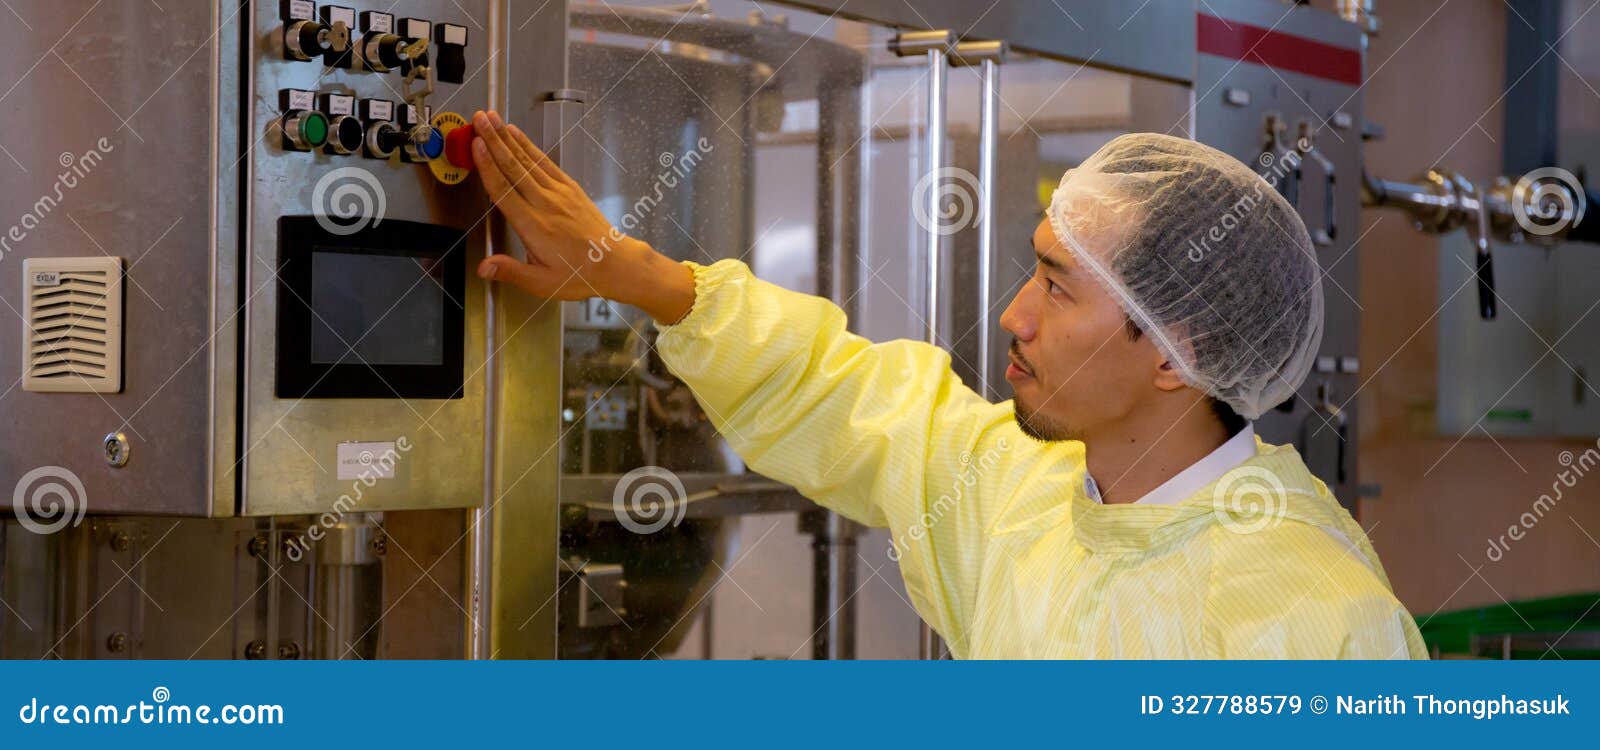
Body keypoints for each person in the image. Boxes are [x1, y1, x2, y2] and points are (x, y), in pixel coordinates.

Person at [464, 109, 1427, 659]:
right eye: (1031, 270)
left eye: (1057, 286)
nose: (1014, 314)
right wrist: (642, 278)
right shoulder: (1025, 495)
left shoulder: (1316, 622)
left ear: (1176, 353)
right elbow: (854, 399)